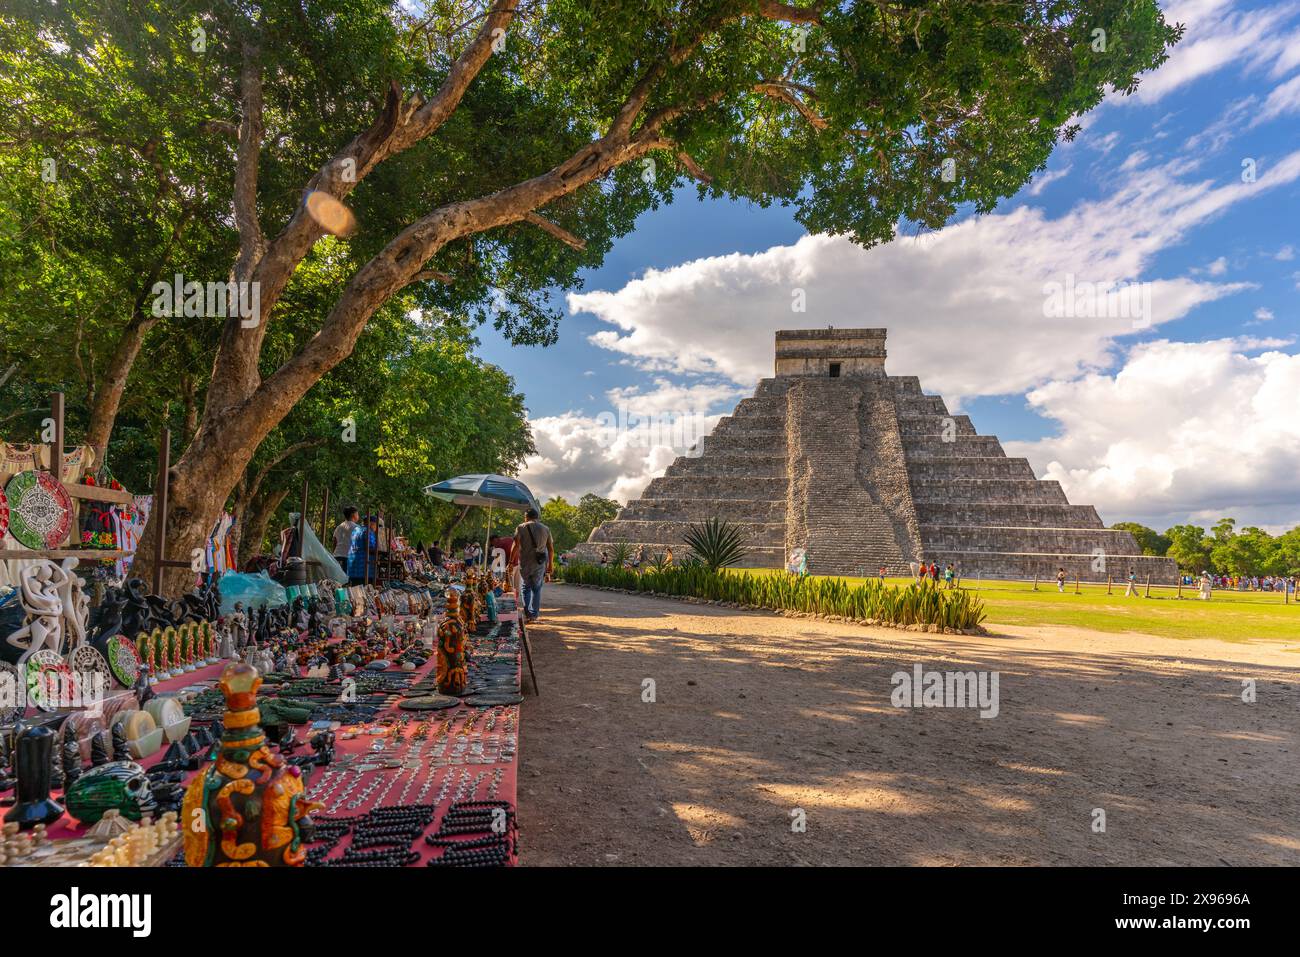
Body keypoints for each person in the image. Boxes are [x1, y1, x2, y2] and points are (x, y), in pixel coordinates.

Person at [514, 508, 554, 623]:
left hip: (525, 563)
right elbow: (551, 549)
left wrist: (511, 562)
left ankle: (528, 613)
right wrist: (551, 565)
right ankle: (534, 615)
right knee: (536, 589)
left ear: (526, 516)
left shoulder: (521, 527)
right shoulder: (546, 529)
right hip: (539, 563)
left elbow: (516, 546)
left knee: (525, 588)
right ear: (537, 517)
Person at [347, 514, 379, 586]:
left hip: (352, 568)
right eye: (376, 525)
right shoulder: (369, 532)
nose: (376, 528)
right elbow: (371, 547)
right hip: (364, 569)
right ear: (371, 523)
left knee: (354, 590)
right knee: (364, 592)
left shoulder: (356, 530)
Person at [333, 507, 359, 571]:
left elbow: (334, 542)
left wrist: (333, 554)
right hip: (348, 556)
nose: (358, 516)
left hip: (337, 556)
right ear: (353, 515)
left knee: (338, 578)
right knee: (347, 578)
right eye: (357, 514)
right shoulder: (357, 528)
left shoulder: (339, 527)